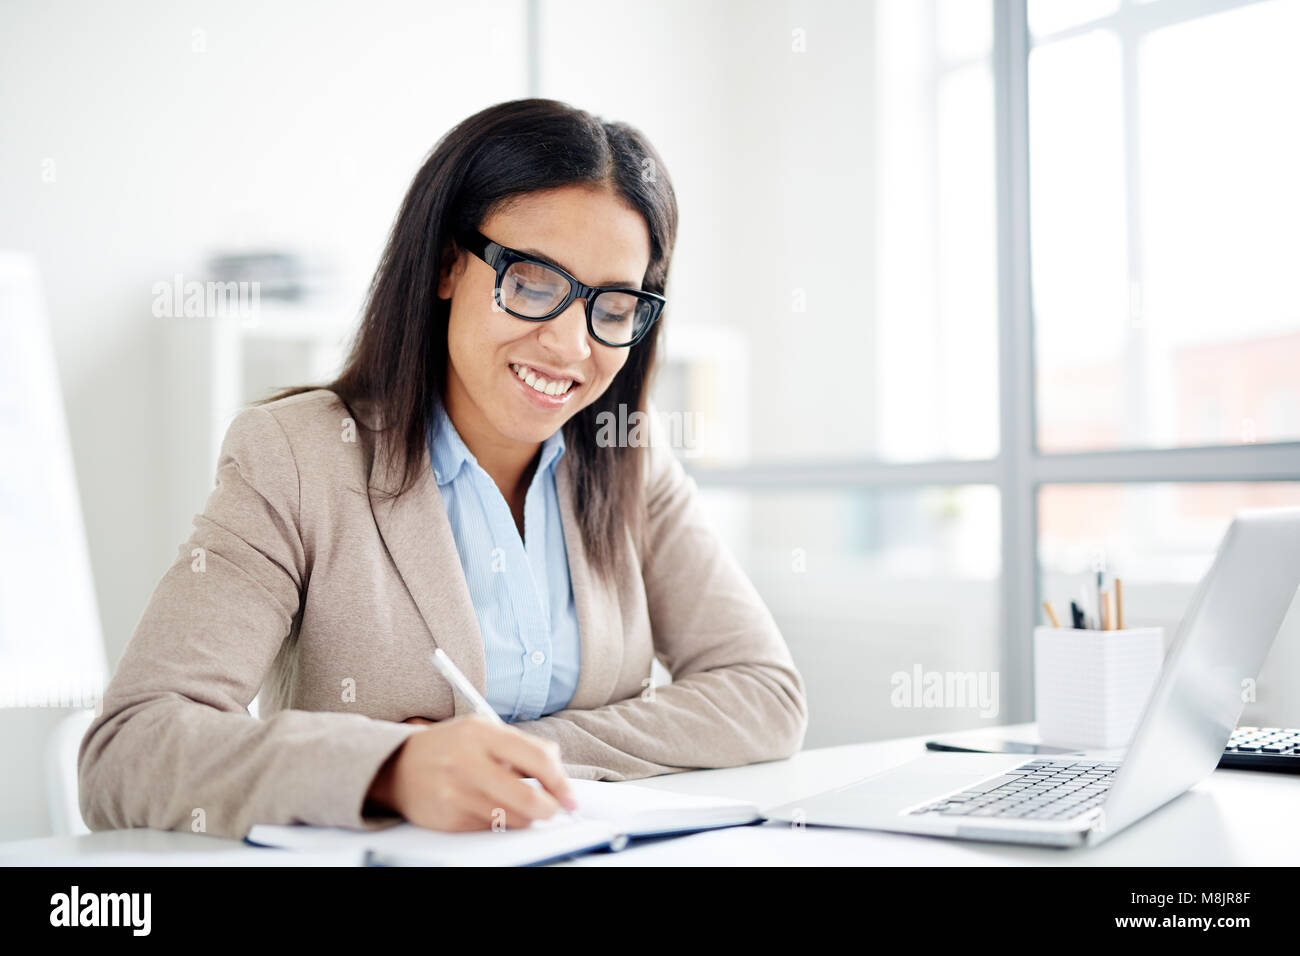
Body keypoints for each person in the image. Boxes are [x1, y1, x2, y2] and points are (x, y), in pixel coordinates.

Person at [78, 98, 807, 840]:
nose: (570, 347)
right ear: (447, 266)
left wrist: (523, 756)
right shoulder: (295, 458)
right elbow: (127, 751)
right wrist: (392, 768)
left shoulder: (629, 459)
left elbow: (764, 694)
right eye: (532, 281)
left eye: (612, 306)